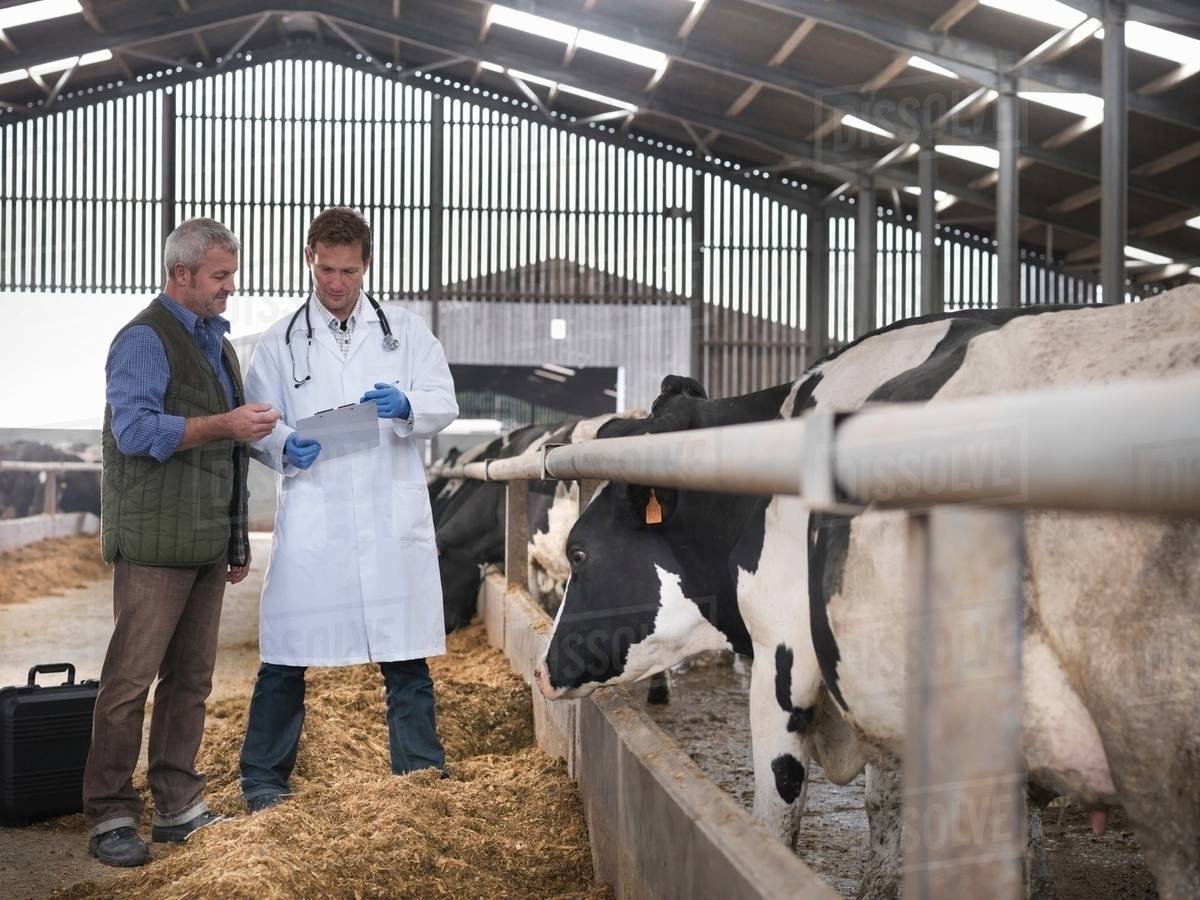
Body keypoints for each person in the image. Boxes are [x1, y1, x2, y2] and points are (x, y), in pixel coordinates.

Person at [238, 207, 458, 811]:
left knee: (404, 653)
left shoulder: (406, 333)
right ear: (309, 257)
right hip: (316, 519)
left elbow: (444, 400)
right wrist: (283, 444)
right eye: (326, 269)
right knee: (285, 656)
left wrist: (407, 402)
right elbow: (256, 423)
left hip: (388, 518)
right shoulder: (279, 342)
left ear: (366, 266)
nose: (336, 283)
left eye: (349, 271)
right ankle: (262, 780)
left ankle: (420, 777)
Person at [85, 218, 281, 867]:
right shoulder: (144, 340)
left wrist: (236, 538)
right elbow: (135, 432)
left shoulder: (218, 348)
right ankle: (110, 812)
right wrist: (225, 422)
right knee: (129, 680)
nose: (230, 288)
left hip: (202, 542)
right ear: (181, 275)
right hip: (152, 545)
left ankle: (177, 805)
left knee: (191, 680)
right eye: (220, 276)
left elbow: (226, 452)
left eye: (231, 274)